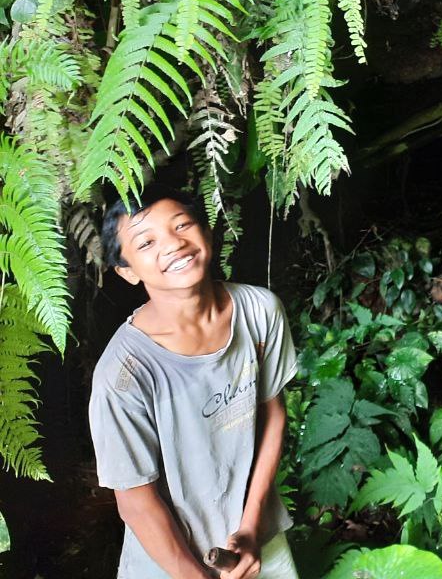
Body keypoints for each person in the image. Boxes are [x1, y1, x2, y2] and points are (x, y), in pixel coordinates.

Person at [89, 185, 299, 579]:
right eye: (146, 242)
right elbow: (135, 500)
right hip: (169, 561)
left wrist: (251, 527)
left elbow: (273, 414)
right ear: (127, 271)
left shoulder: (259, 311)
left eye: (181, 225)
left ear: (207, 233)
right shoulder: (124, 373)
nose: (173, 244)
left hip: (256, 539)